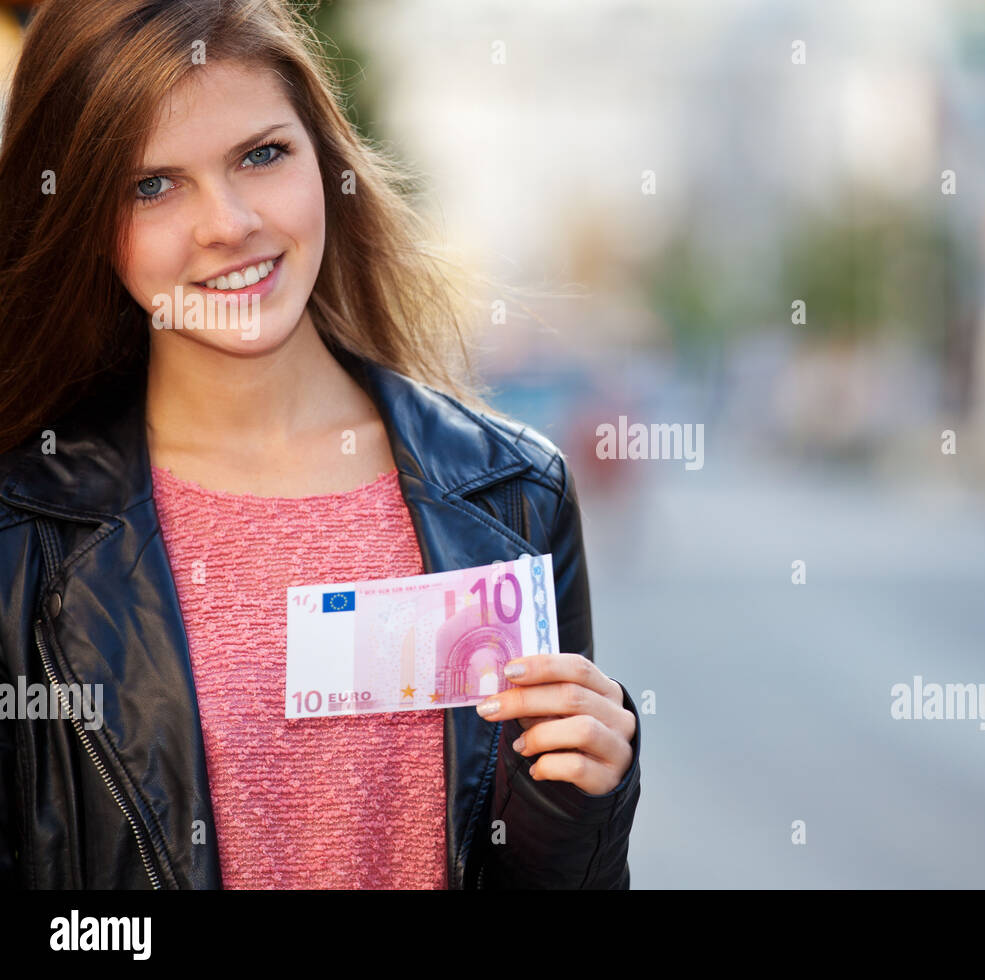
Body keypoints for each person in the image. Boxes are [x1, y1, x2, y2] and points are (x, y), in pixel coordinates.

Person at [0, 0, 640, 889]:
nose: (227, 223)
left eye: (262, 155)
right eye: (152, 184)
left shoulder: (512, 490)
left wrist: (578, 813)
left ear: (324, 159)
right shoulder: (19, 533)